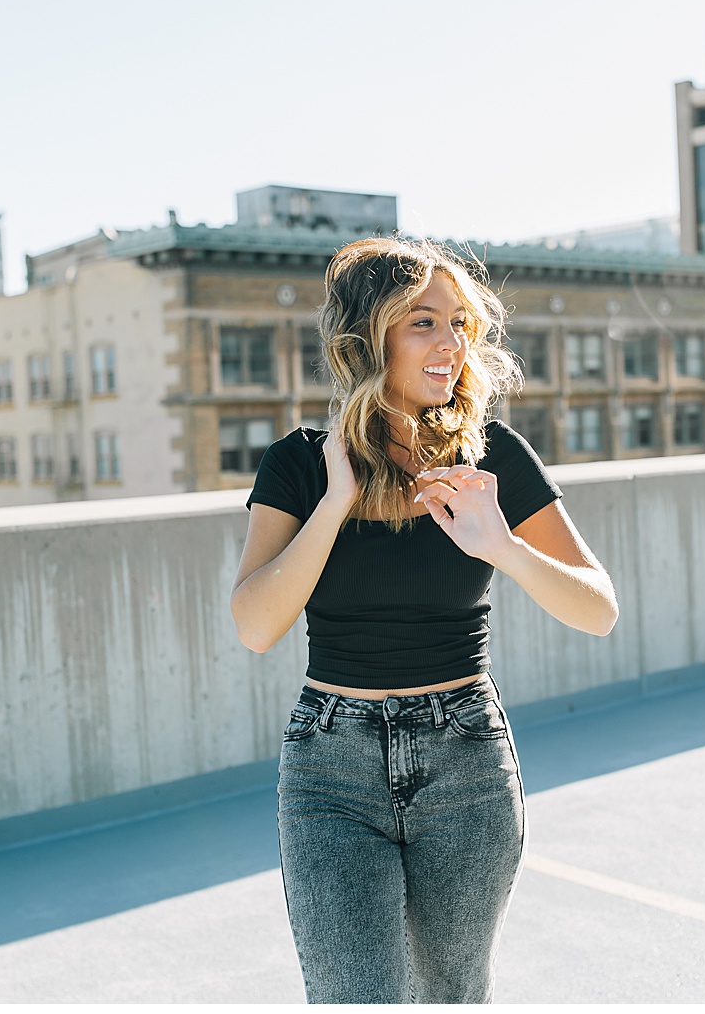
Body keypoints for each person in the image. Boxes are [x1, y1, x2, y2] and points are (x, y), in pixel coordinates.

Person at [230, 235, 618, 1004]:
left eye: (460, 324)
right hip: (330, 766)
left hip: (466, 758)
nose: (451, 344)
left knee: (451, 994)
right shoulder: (300, 464)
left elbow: (597, 606)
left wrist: (501, 545)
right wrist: (335, 502)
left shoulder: (492, 456)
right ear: (368, 335)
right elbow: (255, 622)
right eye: (424, 323)